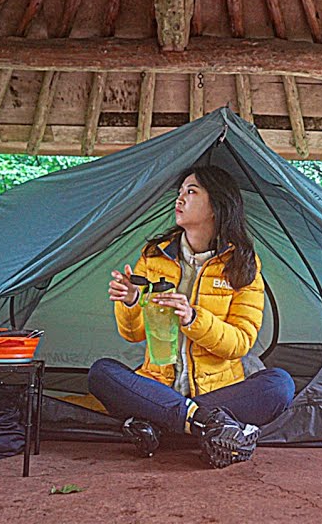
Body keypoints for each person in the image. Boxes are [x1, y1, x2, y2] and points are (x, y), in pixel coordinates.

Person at [87, 165, 295, 468]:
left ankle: (161, 425)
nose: (179, 199)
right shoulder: (154, 256)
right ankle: (208, 424)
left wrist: (192, 318)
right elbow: (132, 335)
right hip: (156, 386)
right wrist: (132, 302)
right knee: (101, 373)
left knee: (280, 384)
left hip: (218, 391)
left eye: (191, 192)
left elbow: (241, 342)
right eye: (180, 192)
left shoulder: (243, 264)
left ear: (216, 205)